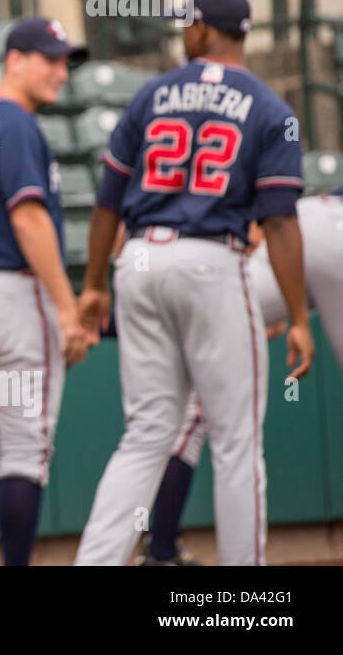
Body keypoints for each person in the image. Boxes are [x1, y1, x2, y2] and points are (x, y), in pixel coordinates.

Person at [75, 0, 315, 567]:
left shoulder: (150, 95)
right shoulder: (270, 107)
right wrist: (300, 315)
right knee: (236, 442)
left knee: (146, 434)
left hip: (139, 260)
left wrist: (94, 286)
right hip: (212, 259)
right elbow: (279, 222)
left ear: (206, 29)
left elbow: (107, 202)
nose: (182, 32)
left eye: (188, 23)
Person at [0, 17, 93, 567]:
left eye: (63, 62)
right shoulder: (17, 123)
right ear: (15, 59)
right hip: (12, 298)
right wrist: (68, 310)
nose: (59, 72)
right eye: (49, 59)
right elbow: (28, 220)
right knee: (26, 453)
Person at [138, 184, 343, 565]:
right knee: (216, 421)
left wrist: (283, 302)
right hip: (321, 233)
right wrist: (295, 309)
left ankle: (160, 548)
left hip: (301, 221)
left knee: (194, 408)